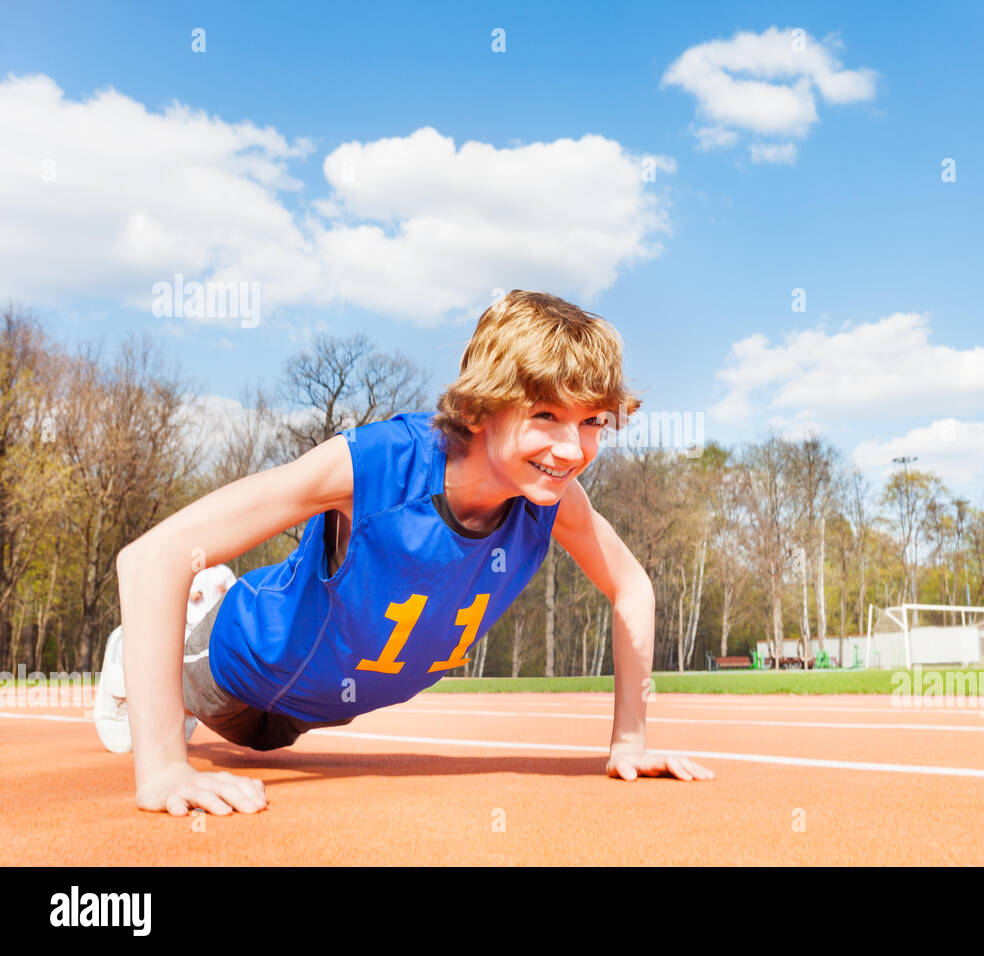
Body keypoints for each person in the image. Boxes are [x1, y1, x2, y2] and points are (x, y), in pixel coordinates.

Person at [111, 290, 713, 815]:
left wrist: (629, 741)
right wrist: (163, 768)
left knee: (266, 741)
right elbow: (150, 558)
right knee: (184, 656)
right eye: (546, 415)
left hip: (304, 717)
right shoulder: (379, 465)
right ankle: (170, 629)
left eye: (592, 422)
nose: (571, 447)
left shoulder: (554, 503)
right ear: (480, 408)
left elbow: (631, 584)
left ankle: (203, 601)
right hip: (234, 671)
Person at [94, 563, 238, 753]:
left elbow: (233, 595)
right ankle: (130, 664)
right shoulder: (193, 568)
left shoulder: (224, 572)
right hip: (190, 625)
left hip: (208, 632)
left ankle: (177, 694)